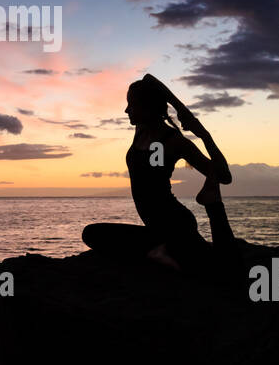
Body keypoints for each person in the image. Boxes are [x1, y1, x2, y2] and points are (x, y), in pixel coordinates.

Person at [81, 74, 237, 274]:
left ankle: (164, 249)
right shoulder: (140, 129)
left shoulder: (173, 140)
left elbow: (224, 176)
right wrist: (180, 108)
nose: (126, 110)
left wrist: (202, 133)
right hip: (156, 231)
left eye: (132, 104)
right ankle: (159, 250)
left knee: (222, 271)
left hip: (175, 224)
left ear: (147, 107)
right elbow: (149, 79)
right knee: (92, 234)